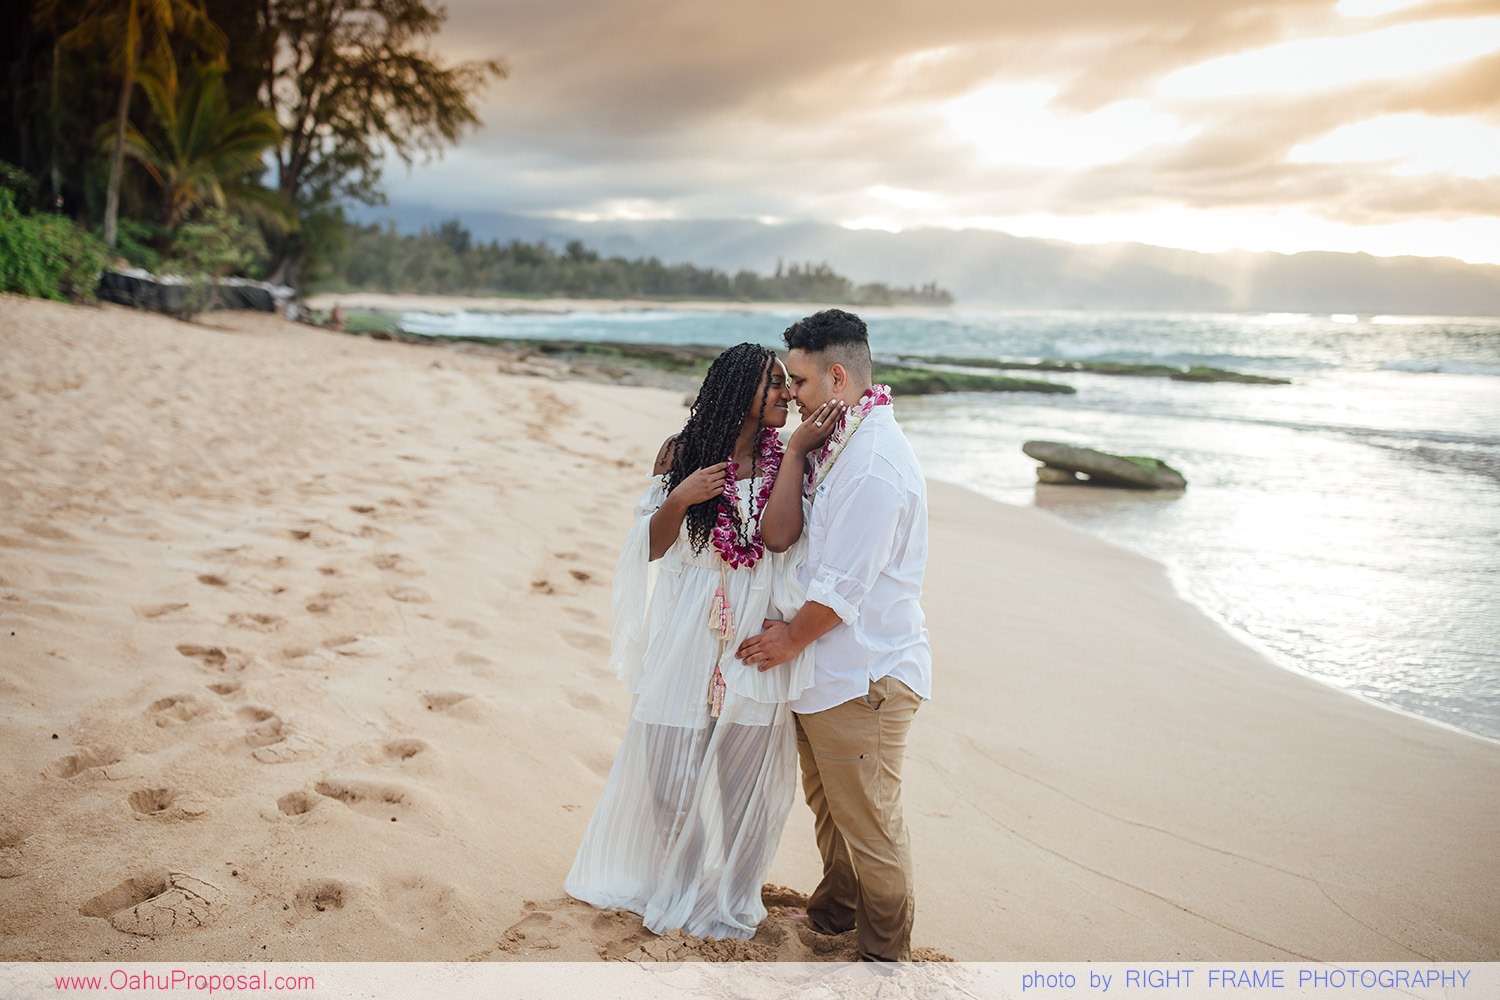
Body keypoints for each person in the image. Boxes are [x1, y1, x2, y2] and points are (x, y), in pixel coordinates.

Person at [565, 342, 841, 939]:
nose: (788, 394)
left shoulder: (791, 458)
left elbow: (779, 538)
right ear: (739, 392)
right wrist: (682, 496)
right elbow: (649, 548)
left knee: (746, 792)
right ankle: (680, 887)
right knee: (671, 782)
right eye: (774, 384)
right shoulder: (680, 453)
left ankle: (733, 898)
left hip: (752, 638)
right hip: (687, 635)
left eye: (787, 383)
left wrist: (794, 455)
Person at [736, 308, 932, 962]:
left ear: (838, 376)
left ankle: (882, 958)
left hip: (865, 674)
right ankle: (833, 915)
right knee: (836, 816)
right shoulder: (840, 439)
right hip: (828, 673)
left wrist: (787, 639)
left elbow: (843, 588)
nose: (790, 393)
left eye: (798, 380)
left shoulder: (874, 463)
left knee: (871, 828)